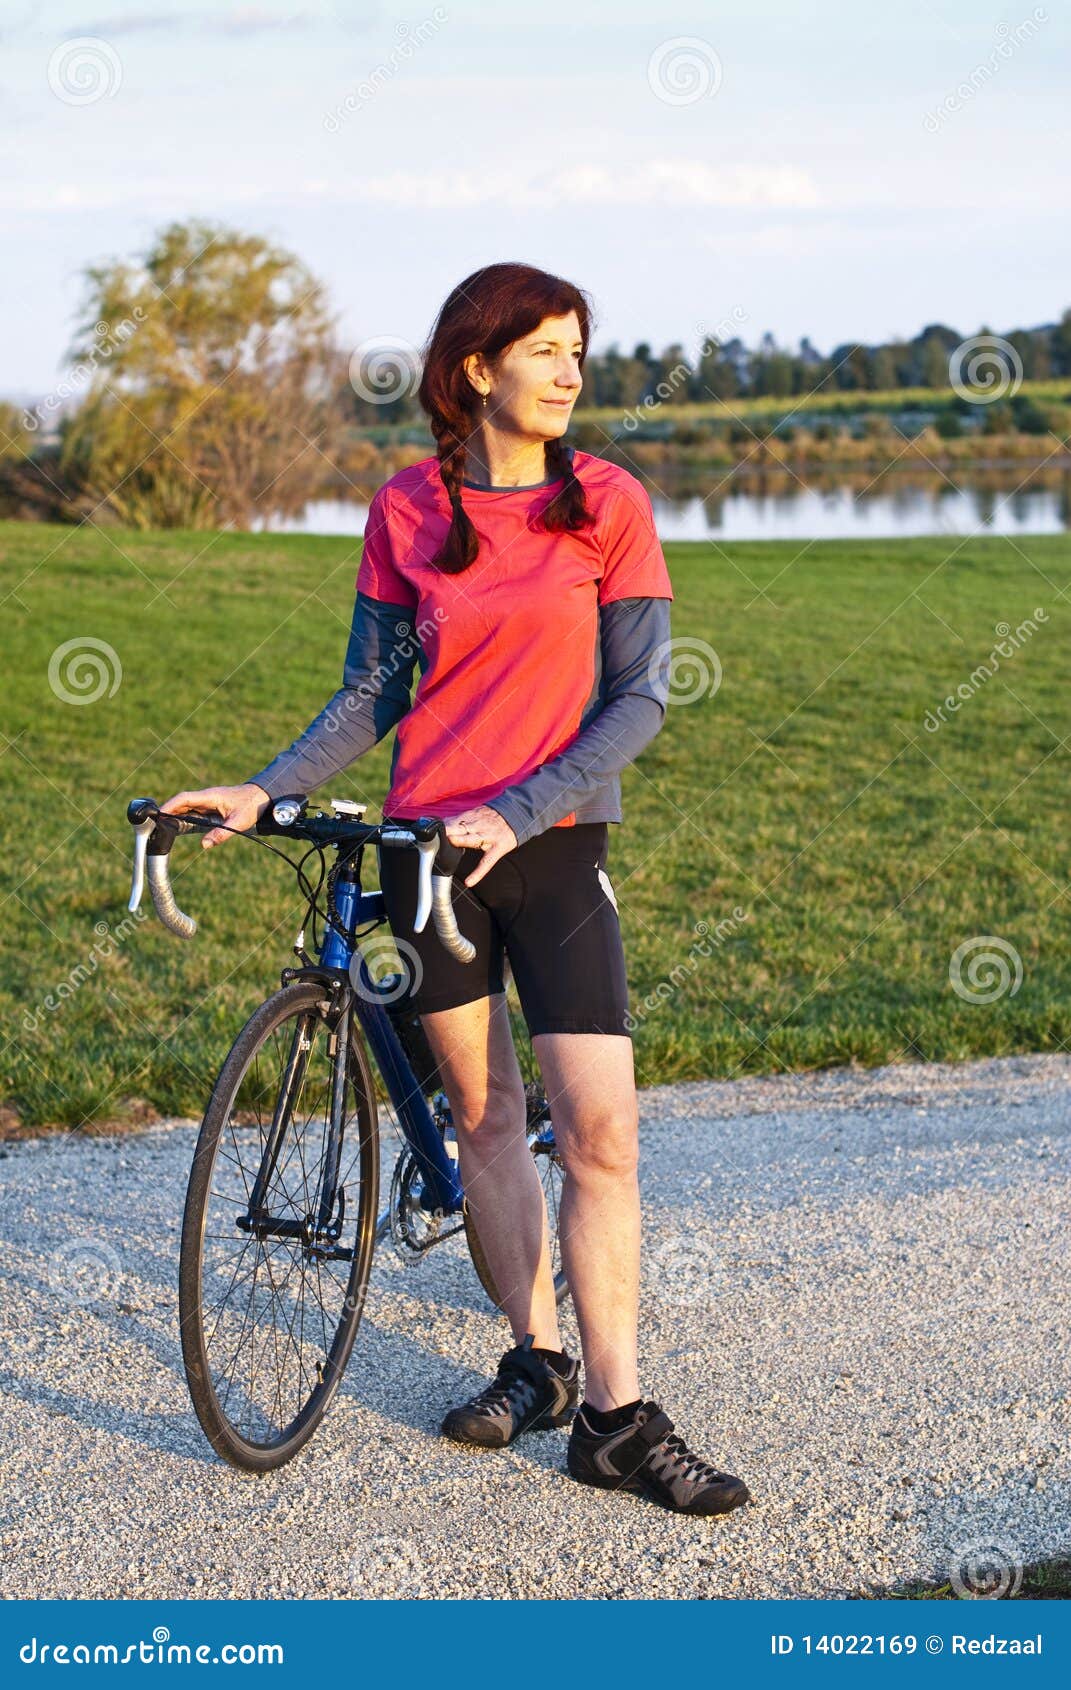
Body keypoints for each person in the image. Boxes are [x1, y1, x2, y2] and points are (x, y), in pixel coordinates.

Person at [161, 262, 749, 1517]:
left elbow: (641, 695)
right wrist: (267, 788)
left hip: (552, 849)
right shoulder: (406, 508)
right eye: (546, 348)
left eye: (579, 348)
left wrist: (525, 807)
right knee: (485, 1125)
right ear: (478, 368)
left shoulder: (609, 504)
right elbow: (373, 690)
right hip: (428, 859)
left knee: (598, 1133)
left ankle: (617, 1412)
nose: (571, 369)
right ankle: (535, 1363)